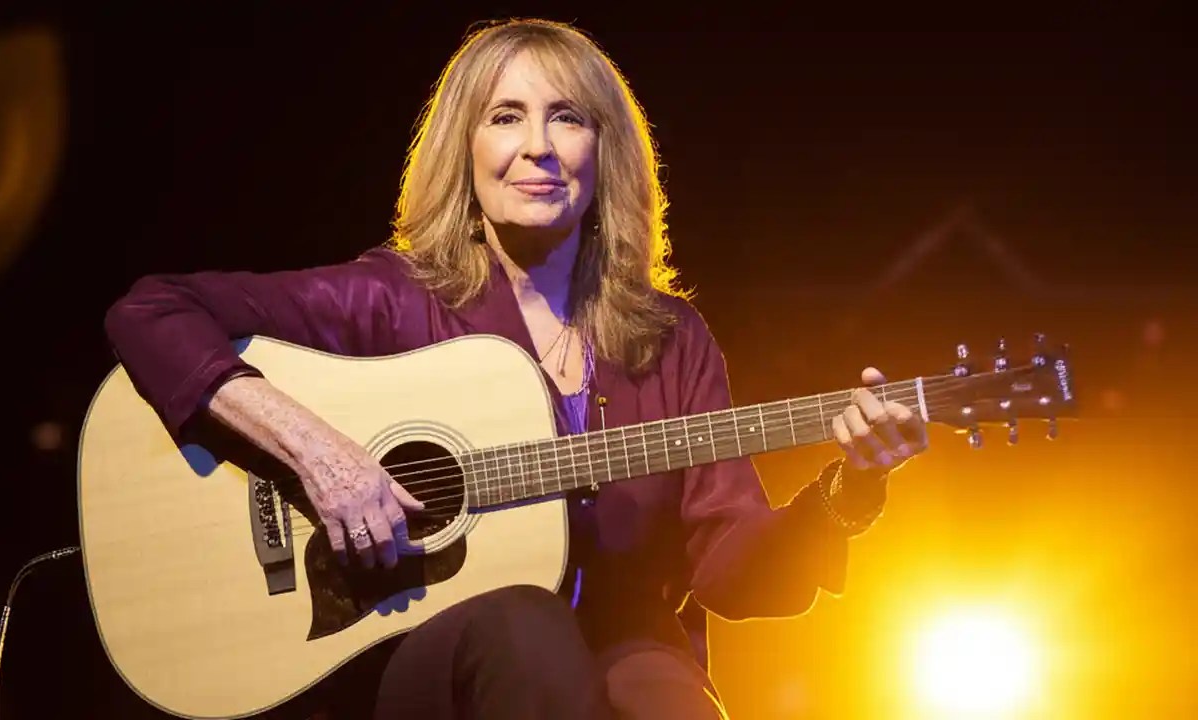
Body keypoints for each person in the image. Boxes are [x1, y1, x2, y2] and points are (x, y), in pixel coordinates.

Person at [103, 17, 928, 720]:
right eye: (506, 117)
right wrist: (316, 452)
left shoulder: (669, 339)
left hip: (623, 653)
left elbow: (735, 573)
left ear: (606, 152)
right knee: (526, 630)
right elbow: (150, 311)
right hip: (417, 658)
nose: (537, 147)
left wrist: (845, 496)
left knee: (668, 695)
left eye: (567, 118)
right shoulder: (393, 300)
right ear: (464, 148)